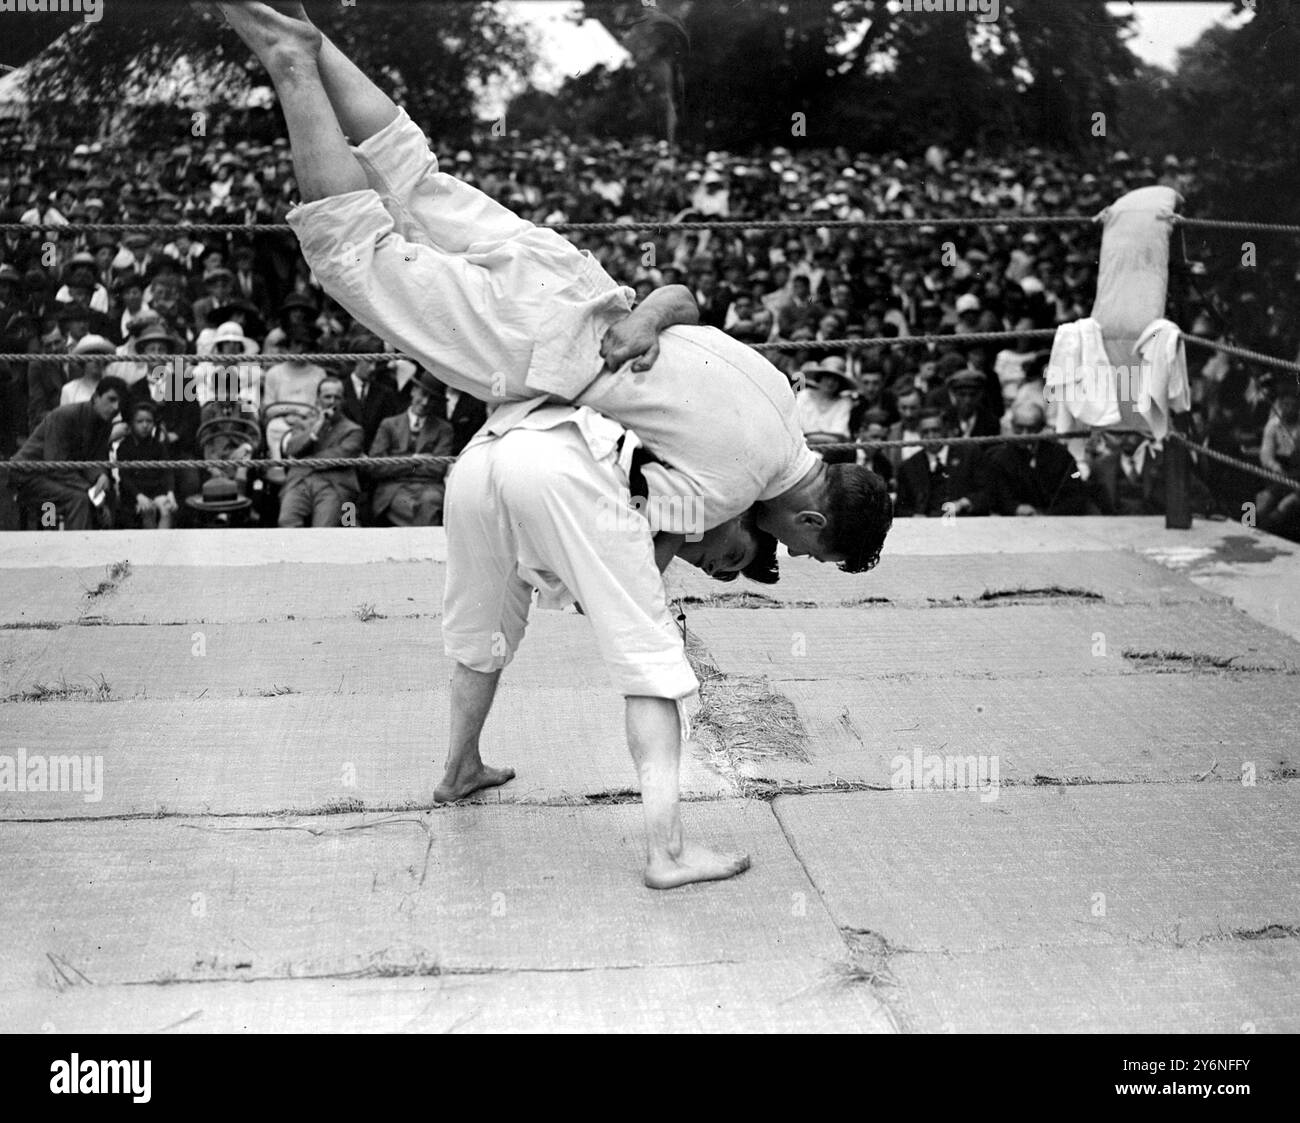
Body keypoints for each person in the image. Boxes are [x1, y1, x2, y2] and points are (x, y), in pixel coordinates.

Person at [12, 376, 126, 530]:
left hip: (61, 475)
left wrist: (101, 476)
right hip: (30, 475)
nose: (115, 407)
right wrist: (90, 490)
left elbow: (96, 458)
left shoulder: (104, 423)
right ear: (96, 397)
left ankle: (97, 548)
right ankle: (76, 551)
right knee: (79, 499)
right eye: (111, 399)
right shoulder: (64, 415)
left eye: (119, 402)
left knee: (108, 493)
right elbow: (55, 464)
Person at [366, 369, 454, 526]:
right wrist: (413, 461)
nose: (425, 402)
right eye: (423, 394)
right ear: (413, 391)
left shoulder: (444, 429)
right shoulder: (389, 424)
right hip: (394, 489)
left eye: (432, 398)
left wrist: (396, 463)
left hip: (430, 489)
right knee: (411, 507)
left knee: (429, 502)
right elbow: (376, 467)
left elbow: (438, 469)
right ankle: (424, 547)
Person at [278, 373, 363, 527]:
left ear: (343, 400)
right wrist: (314, 432)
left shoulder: (353, 430)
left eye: (337, 397)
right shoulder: (304, 425)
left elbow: (338, 455)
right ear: (318, 400)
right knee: (286, 521)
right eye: (327, 397)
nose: (332, 402)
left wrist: (304, 460)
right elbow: (291, 449)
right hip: (301, 480)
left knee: (323, 529)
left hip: (334, 484)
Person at [986, 401, 1091, 516]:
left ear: (1041, 427)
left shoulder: (1061, 455)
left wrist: (1049, 514)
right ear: (1012, 425)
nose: (1024, 435)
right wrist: (1015, 508)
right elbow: (996, 494)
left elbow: (1075, 487)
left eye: (1031, 429)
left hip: (1056, 521)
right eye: (1019, 428)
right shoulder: (999, 458)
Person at [894, 408, 989, 518]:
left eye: (935, 430)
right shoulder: (908, 467)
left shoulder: (969, 454)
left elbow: (985, 493)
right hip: (927, 527)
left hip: (963, 521)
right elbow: (901, 508)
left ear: (945, 430)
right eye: (925, 432)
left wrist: (963, 503)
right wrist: (915, 516)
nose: (931, 436)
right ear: (919, 434)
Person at [115, 399, 179, 529]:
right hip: (134, 494)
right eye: (140, 421)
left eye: (149, 421)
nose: (145, 425)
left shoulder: (158, 446)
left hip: (156, 491)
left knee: (166, 510)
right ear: (132, 424)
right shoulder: (124, 447)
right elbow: (125, 477)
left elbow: (168, 472)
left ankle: (162, 544)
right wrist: (139, 496)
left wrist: (170, 493)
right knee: (147, 510)